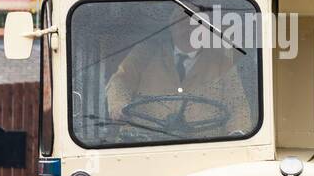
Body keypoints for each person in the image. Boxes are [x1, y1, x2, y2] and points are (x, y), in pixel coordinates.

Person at [105, 8, 254, 138]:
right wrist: (118, 105)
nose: (187, 28)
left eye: (195, 23)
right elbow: (120, 81)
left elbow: (237, 105)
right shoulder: (144, 54)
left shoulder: (222, 63)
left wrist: (237, 133)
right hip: (146, 146)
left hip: (206, 149)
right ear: (171, 26)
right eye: (180, 21)